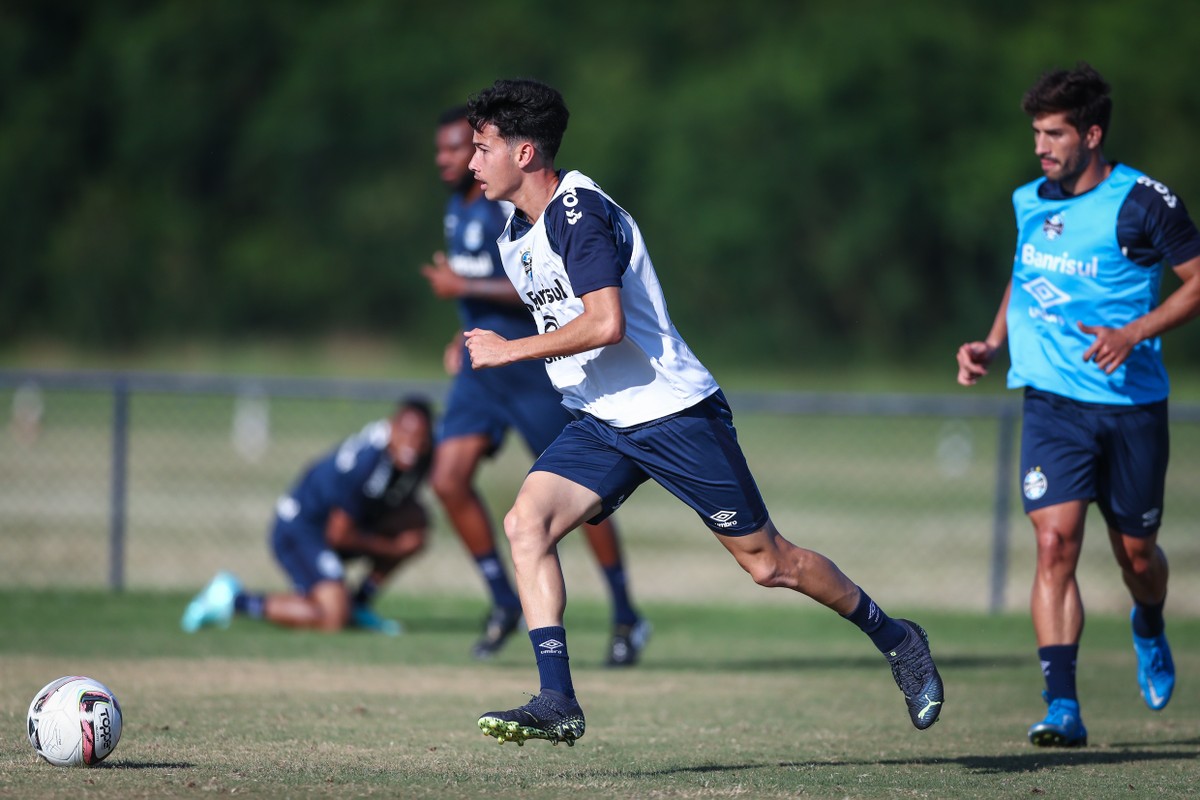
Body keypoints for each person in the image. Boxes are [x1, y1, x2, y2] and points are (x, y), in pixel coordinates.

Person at [460, 78, 944, 747]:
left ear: (526, 152)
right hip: (603, 422)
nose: (470, 163)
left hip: (674, 412)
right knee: (525, 524)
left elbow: (606, 323)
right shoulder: (515, 233)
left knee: (770, 564)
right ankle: (556, 700)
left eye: (482, 148)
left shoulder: (578, 213)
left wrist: (511, 350)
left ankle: (898, 638)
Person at [957, 63, 1200, 748]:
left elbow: (1197, 281)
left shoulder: (1145, 202)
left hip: (1130, 408)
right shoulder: (1029, 200)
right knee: (1054, 543)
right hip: (1052, 406)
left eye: (1055, 132)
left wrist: (1134, 332)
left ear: (1092, 134)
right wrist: (993, 341)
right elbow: (1024, 270)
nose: (1041, 146)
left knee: (1138, 556)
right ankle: (1061, 704)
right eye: (1036, 132)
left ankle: (1148, 624)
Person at [420, 106, 650, 664]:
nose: (452, 160)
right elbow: (484, 287)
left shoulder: (516, 198)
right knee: (447, 478)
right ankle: (503, 599)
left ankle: (624, 613)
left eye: (465, 149)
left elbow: (537, 283)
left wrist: (464, 286)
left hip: (535, 368)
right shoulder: (459, 204)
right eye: (451, 151)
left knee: (585, 499)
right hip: (485, 370)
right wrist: (464, 332)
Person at [181, 397, 435, 635]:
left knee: (415, 523)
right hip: (301, 530)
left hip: (337, 527)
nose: (412, 445)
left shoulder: (422, 455)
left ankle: (359, 605)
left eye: (420, 439)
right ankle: (233, 599)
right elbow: (339, 536)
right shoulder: (366, 462)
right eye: (406, 435)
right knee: (333, 617)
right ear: (391, 427)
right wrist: (392, 548)